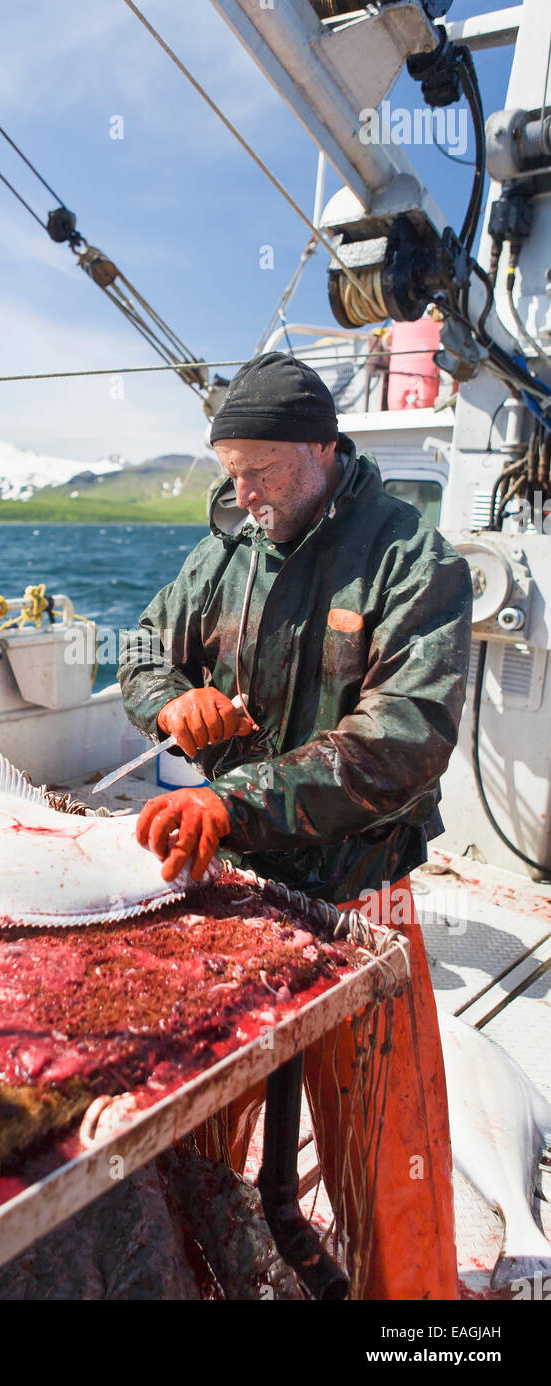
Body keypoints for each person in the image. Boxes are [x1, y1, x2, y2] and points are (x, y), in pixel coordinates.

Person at [117, 350, 473, 1299]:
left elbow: (401, 740)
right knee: (199, 1139)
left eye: (262, 472)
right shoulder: (226, 545)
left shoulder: (413, 558)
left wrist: (229, 799)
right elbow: (144, 647)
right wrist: (171, 705)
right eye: (231, 473)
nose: (244, 493)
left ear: (322, 448)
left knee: (389, 1158)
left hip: (362, 901)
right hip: (233, 885)